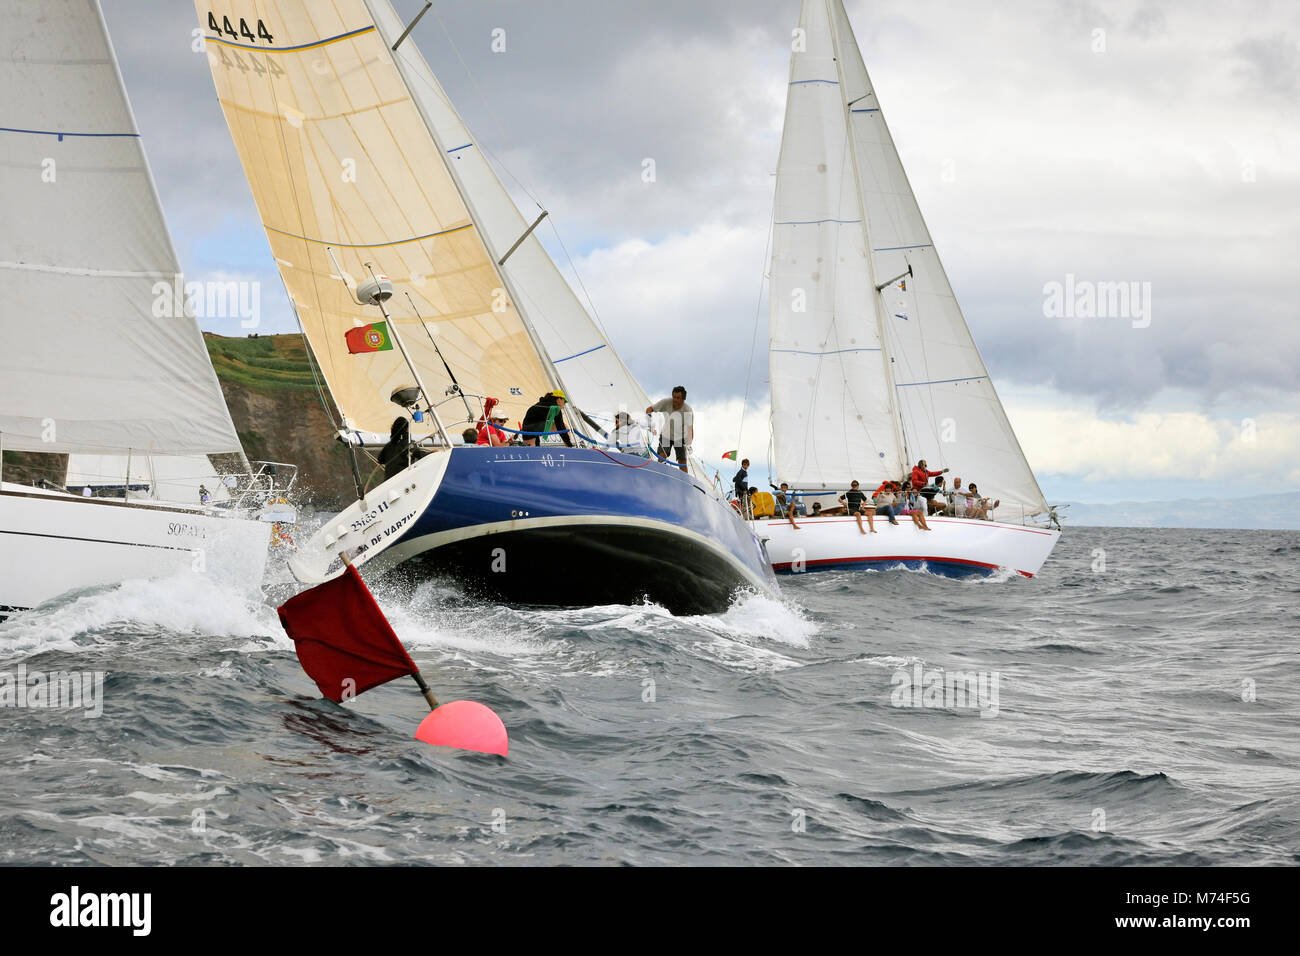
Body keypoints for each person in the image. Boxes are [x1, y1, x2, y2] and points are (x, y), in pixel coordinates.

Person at [646, 386, 692, 472]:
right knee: (662, 456)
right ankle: (660, 474)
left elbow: (690, 430)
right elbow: (649, 409)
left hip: (680, 437)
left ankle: (685, 482)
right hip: (666, 435)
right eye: (674, 397)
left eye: (678, 398)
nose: (675, 400)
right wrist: (649, 419)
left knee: (682, 461)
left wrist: (689, 444)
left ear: (683, 399)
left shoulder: (688, 410)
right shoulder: (666, 402)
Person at [378, 416, 427, 481]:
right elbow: (420, 454)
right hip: (402, 481)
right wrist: (433, 452)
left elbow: (380, 460)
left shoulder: (388, 446)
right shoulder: (409, 443)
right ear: (407, 429)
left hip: (388, 483)